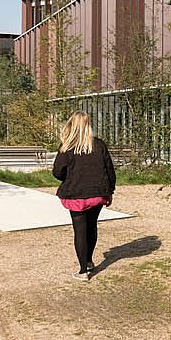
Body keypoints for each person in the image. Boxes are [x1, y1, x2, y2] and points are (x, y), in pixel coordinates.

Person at [52, 111, 116, 280]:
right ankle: (88, 261)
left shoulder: (67, 147)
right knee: (92, 226)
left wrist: (69, 177)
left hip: (76, 194)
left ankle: (83, 271)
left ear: (72, 125)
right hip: (98, 193)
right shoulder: (99, 145)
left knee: (79, 231)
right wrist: (110, 191)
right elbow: (110, 170)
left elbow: (57, 172)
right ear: (88, 125)